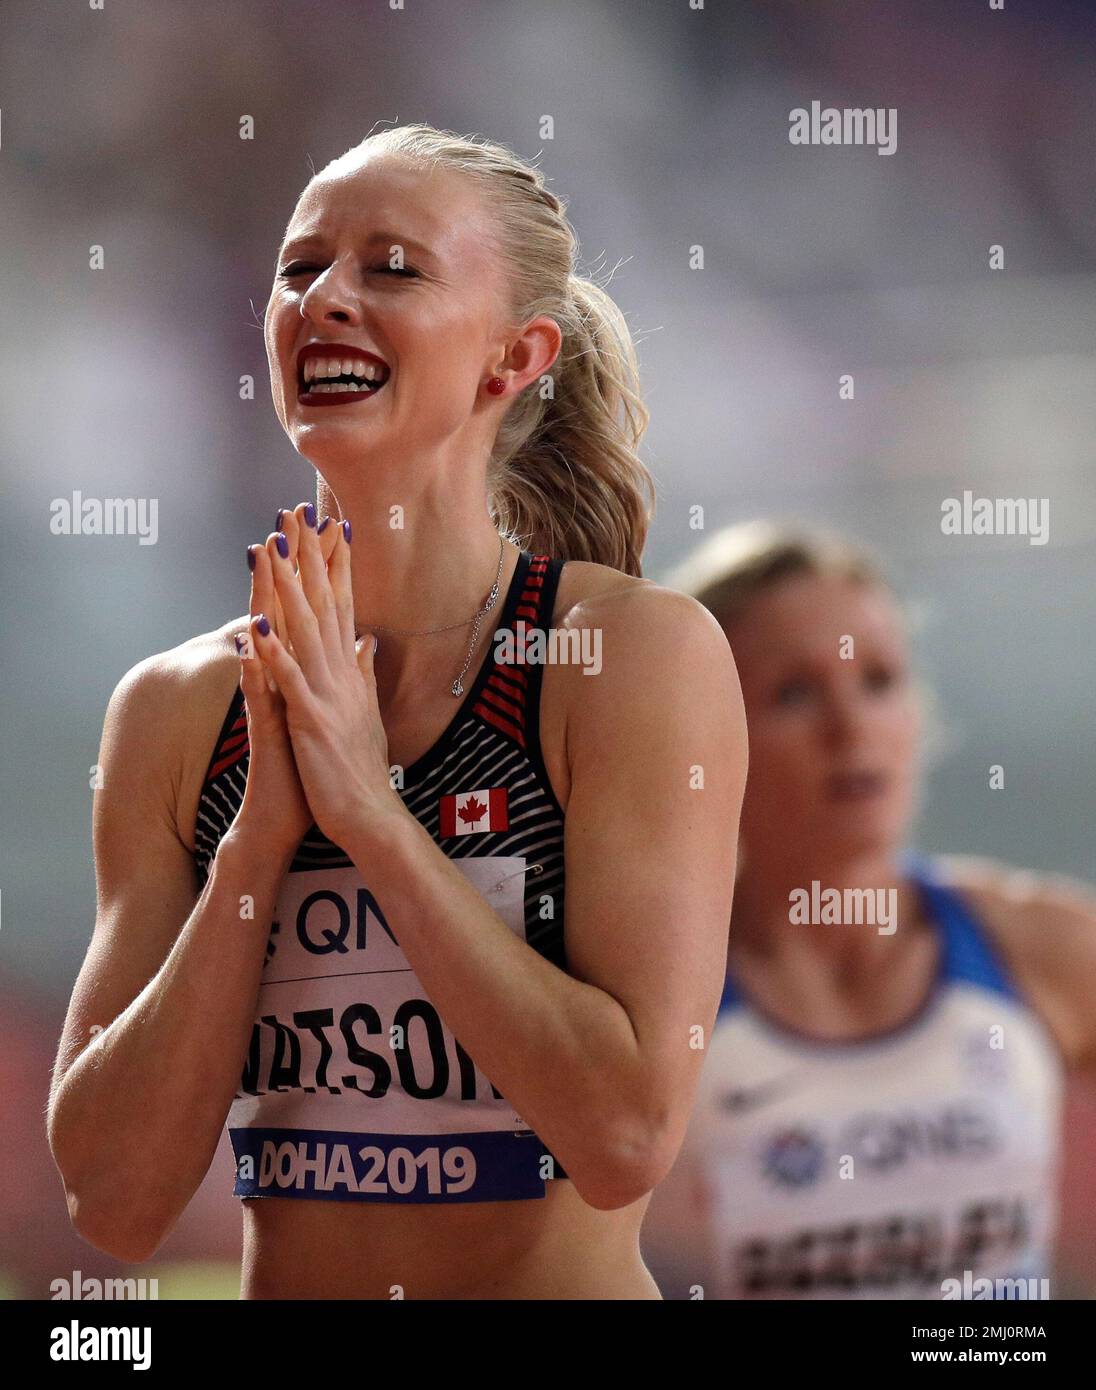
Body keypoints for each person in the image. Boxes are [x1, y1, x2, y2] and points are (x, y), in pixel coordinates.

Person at [46, 124, 747, 1300]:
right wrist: (255, 845)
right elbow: (113, 1200)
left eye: (392, 268)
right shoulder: (177, 709)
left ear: (511, 357)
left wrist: (371, 813)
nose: (325, 298)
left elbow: (625, 1137)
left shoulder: (623, 656)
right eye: (300, 267)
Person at [641, 521, 1096, 1300]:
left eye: (880, 681)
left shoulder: (1046, 946)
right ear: (704, 736)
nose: (852, 732)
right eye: (794, 693)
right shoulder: (648, 993)